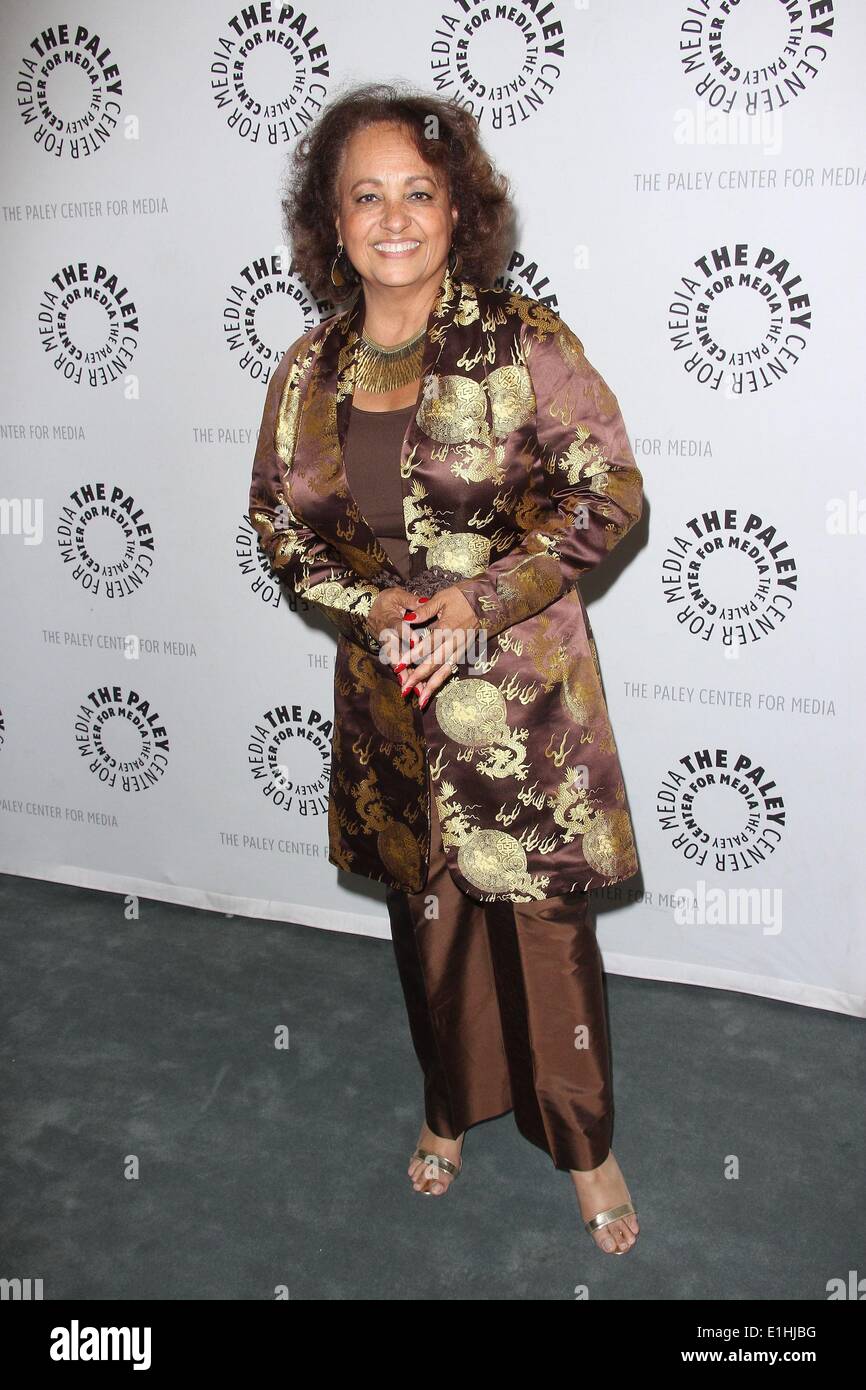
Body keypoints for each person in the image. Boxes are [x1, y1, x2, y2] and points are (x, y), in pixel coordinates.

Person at [248, 83, 643, 1255]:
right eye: (364, 195)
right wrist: (371, 607)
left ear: (456, 205)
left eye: (417, 190)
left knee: (543, 933)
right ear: (331, 217)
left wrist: (474, 601)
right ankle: (446, 1108)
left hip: (519, 699)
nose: (393, 216)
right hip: (392, 700)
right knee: (430, 926)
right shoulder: (307, 370)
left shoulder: (521, 342)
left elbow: (607, 492)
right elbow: (280, 524)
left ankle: (586, 1147)